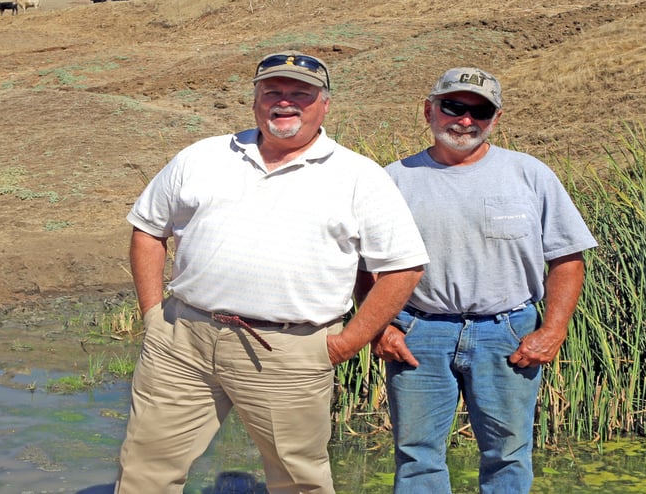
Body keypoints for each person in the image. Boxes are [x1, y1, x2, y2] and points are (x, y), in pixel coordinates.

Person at [115, 52, 429, 494]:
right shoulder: (202, 156)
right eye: (273, 92)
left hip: (288, 350)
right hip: (182, 340)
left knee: (298, 480)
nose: (286, 103)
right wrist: (153, 317)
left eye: (301, 93)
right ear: (255, 100)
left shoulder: (360, 176)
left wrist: (345, 344)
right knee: (145, 471)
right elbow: (148, 229)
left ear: (325, 104)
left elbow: (403, 268)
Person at [372, 67, 598, 494]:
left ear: (496, 118)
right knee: (417, 455)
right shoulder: (393, 179)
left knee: (509, 454)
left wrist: (553, 329)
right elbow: (367, 266)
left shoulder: (530, 174)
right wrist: (379, 327)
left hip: (508, 333)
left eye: (480, 110)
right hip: (419, 332)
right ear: (428, 110)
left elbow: (567, 258)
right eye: (453, 106)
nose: (465, 120)